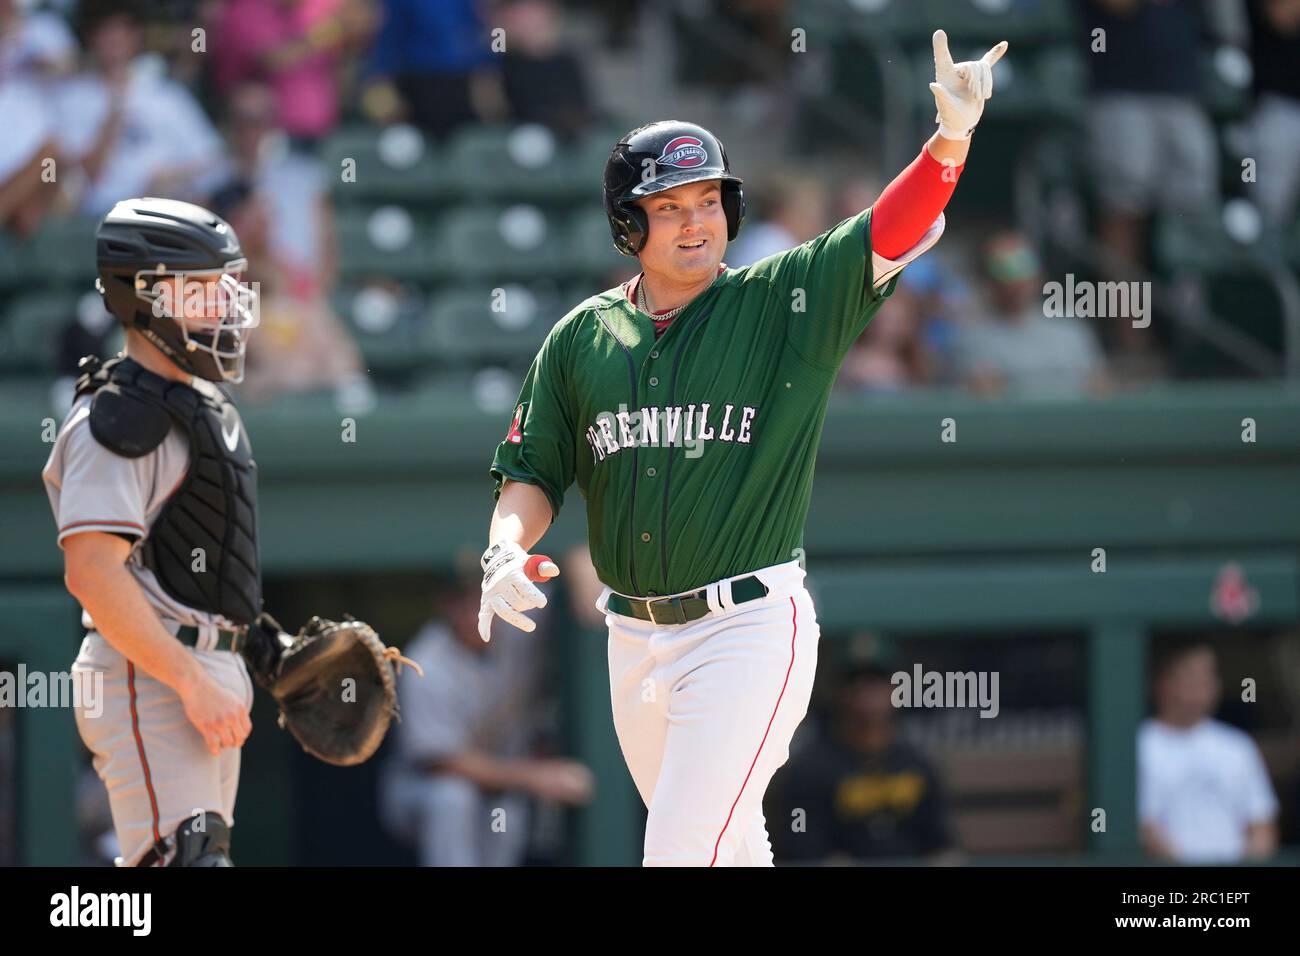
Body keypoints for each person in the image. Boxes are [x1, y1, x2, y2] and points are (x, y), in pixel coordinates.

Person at [476, 30, 1007, 866]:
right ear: (629, 224)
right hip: (633, 639)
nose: (697, 221)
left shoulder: (785, 300)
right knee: (730, 848)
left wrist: (950, 141)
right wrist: (503, 552)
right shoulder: (581, 338)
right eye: (670, 206)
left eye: (709, 201)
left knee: (681, 849)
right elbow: (532, 471)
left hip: (748, 626)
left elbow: (887, 229)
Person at [42, 197, 264, 866]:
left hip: (198, 668)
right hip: (149, 675)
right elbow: (91, 572)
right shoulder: (118, 418)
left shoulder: (201, 406)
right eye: (198, 288)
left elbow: (198, 564)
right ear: (144, 297)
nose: (223, 302)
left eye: (225, 283)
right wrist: (191, 680)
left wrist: (268, 651)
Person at [379, 565, 593, 866]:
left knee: (506, 811)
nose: (475, 612)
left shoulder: (517, 625)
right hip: (421, 792)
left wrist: (578, 554)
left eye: (483, 599)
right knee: (453, 798)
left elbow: (569, 587)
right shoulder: (424, 662)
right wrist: (535, 777)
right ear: (444, 605)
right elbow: (444, 765)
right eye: (463, 601)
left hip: (502, 786)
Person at [768, 663, 958, 863]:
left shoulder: (916, 763)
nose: (868, 697)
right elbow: (801, 837)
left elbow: (943, 843)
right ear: (840, 694)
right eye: (857, 686)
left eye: (876, 685)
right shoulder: (809, 769)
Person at [1138, 641, 1280, 863]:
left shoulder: (1238, 745)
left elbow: (1261, 825)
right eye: (1191, 676)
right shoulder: (1139, 744)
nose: (1203, 685)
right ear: (1162, 682)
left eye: (1209, 676)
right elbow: (1143, 826)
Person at [953, 231, 1109, 398]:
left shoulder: (1071, 329)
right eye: (1005, 269)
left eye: (1023, 265)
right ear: (987, 279)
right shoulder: (970, 338)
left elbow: (1100, 387)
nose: (1016, 280)